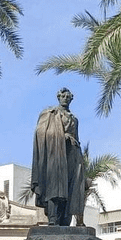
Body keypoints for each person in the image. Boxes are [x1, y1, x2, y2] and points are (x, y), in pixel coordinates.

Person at [31, 88, 87, 226]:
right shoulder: (50, 114)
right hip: (55, 156)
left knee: (70, 189)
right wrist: (62, 136)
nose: (65, 98)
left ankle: (65, 221)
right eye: (63, 96)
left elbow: (77, 138)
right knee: (54, 188)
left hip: (72, 156)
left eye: (68, 96)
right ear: (58, 97)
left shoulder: (74, 119)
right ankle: (53, 219)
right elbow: (40, 132)